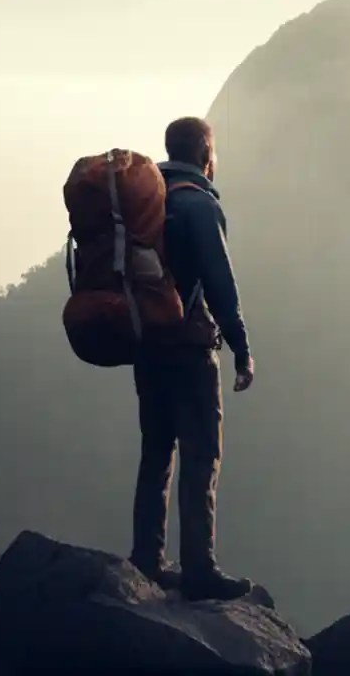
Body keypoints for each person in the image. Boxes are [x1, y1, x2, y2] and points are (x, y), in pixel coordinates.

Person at [129, 116, 256, 601]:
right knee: (201, 455)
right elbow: (219, 283)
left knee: (156, 452)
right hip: (190, 347)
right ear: (206, 153)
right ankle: (200, 568)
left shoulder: (147, 202)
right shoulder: (198, 205)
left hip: (148, 346)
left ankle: (147, 558)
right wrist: (242, 348)